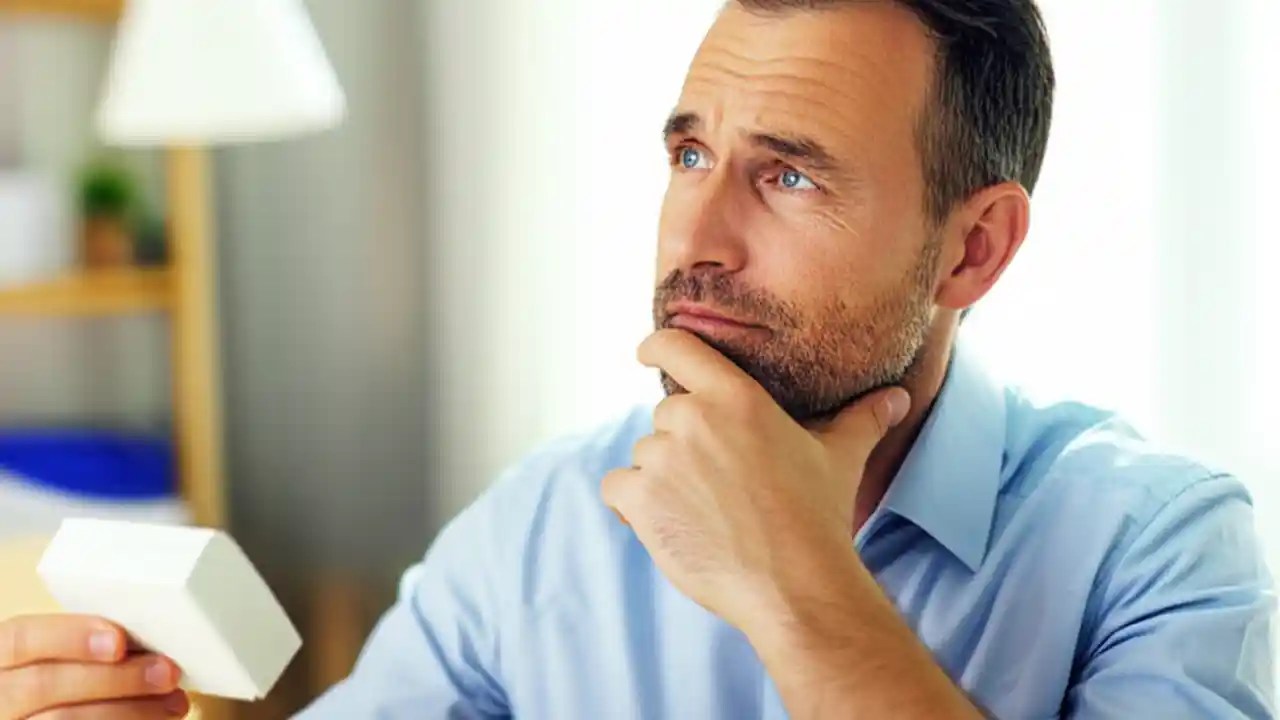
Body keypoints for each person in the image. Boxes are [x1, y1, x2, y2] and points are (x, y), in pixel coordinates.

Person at [2, 0, 1273, 718]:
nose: (693, 239)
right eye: (687, 156)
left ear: (972, 250)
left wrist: (794, 584)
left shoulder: (1158, 553)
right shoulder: (542, 528)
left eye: (786, 174)